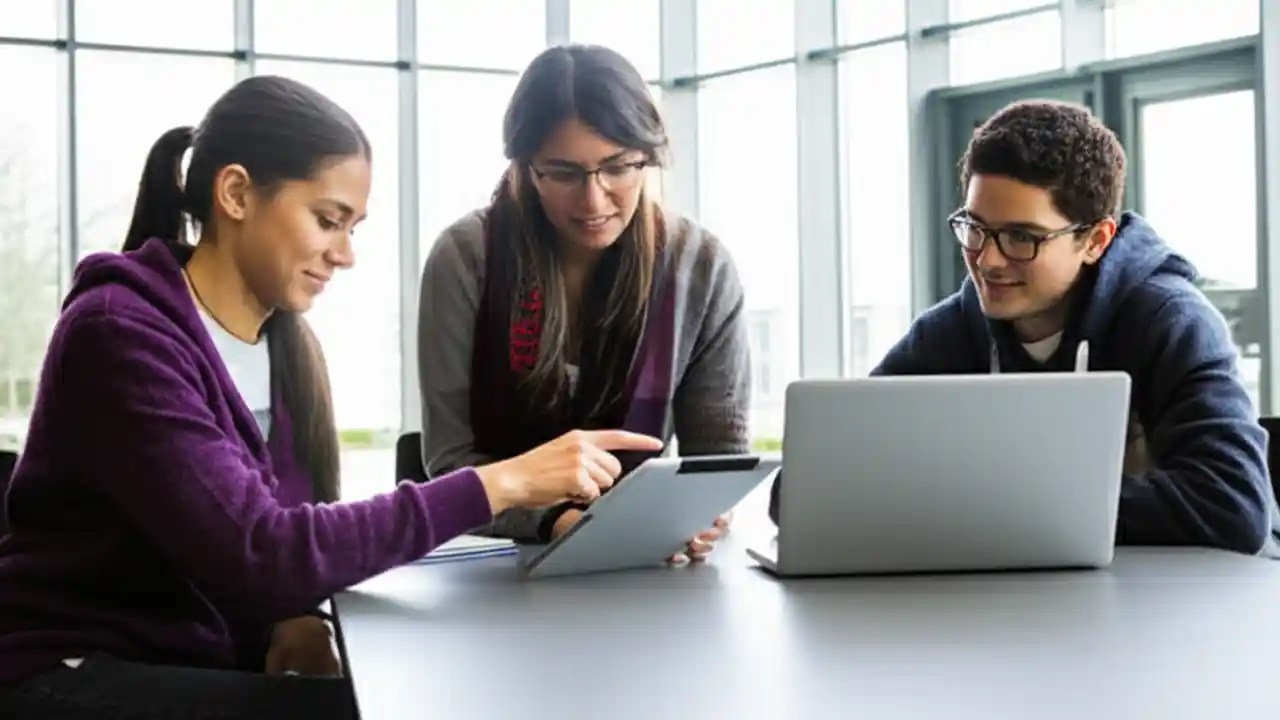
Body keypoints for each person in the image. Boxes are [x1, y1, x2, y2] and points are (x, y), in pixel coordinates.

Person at [0, 75, 661, 719]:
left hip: (194, 661)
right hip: (69, 674)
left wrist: (296, 619)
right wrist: (503, 482)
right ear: (235, 193)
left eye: (354, 227)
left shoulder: (283, 345)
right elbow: (264, 551)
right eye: (327, 220)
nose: (344, 254)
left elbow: (266, 533)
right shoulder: (119, 334)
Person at [769, 99, 1279, 556]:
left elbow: (1234, 505)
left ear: (1096, 240)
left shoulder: (1171, 322)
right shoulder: (954, 328)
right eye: (974, 228)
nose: (987, 261)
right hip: (1017, 611)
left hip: (1183, 616)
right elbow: (801, 491)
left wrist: (987, 504)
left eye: (1021, 237)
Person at [418, 44, 751, 558]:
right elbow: (450, 462)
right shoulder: (466, 259)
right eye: (565, 173)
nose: (594, 200)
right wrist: (558, 521)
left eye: (618, 167)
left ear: (648, 157)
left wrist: (699, 513)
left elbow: (717, 466)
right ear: (528, 168)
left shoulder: (700, 269)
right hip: (491, 561)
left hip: (642, 561)